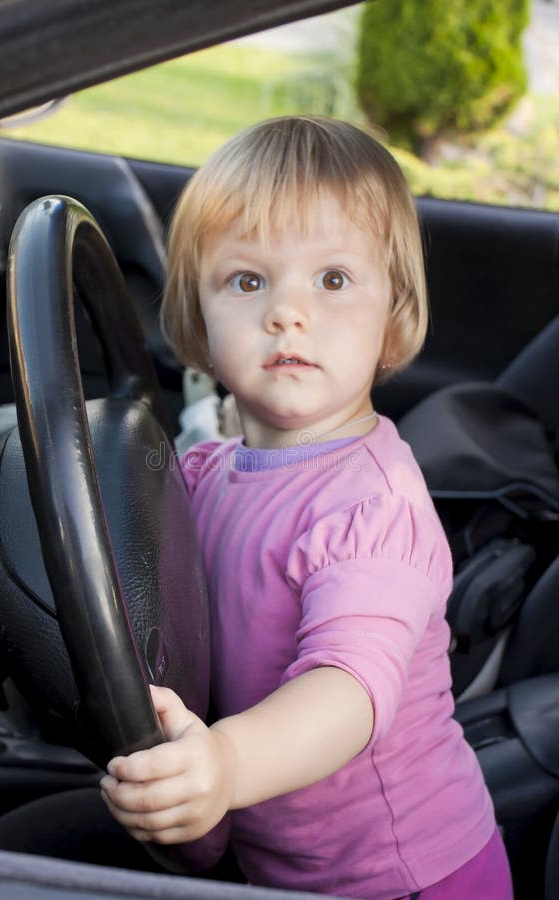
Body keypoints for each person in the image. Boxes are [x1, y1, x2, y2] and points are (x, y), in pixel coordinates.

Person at [99, 116, 513, 899]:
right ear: (197, 317)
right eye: (248, 281)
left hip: (405, 875)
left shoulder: (373, 510)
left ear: (393, 312)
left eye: (331, 279)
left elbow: (347, 692)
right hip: (280, 866)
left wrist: (226, 764)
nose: (288, 312)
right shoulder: (206, 470)